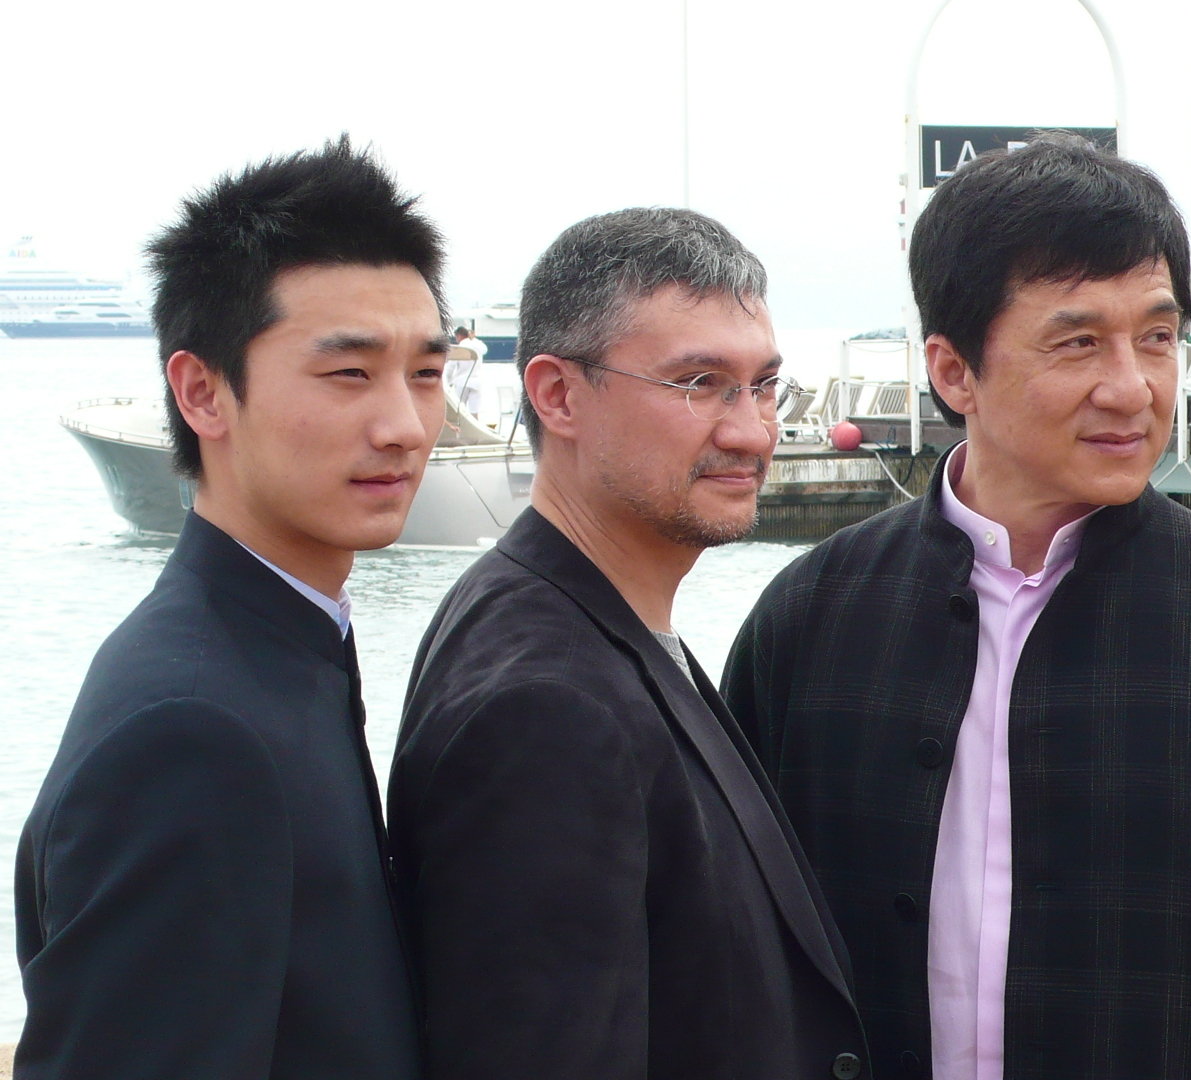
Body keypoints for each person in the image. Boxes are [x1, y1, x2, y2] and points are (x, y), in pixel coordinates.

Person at [725, 134, 1191, 1080]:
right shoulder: (814, 621)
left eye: (1157, 337)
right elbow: (735, 954)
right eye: (1078, 342)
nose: (1133, 386)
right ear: (954, 372)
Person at [388, 207, 867, 1079]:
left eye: (763, 385)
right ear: (558, 394)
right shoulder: (544, 705)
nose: (752, 431)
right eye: (697, 383)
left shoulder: (594, 627)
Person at [14, 138, 446, 1079]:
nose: (405, 426)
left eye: (426, 371)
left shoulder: (280, 647)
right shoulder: (191, 729)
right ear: (201, 392)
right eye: (349, 373)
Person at [446, 325, 488, 413]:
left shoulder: (459, 348)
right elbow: (485, 349)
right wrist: (474, 339)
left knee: (460, 410)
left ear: (459, 336)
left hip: (462, 382)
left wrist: (449, 382)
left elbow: (450, 368)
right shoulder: (477, 346)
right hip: (476, 383)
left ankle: (461, 426)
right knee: (474, 411)